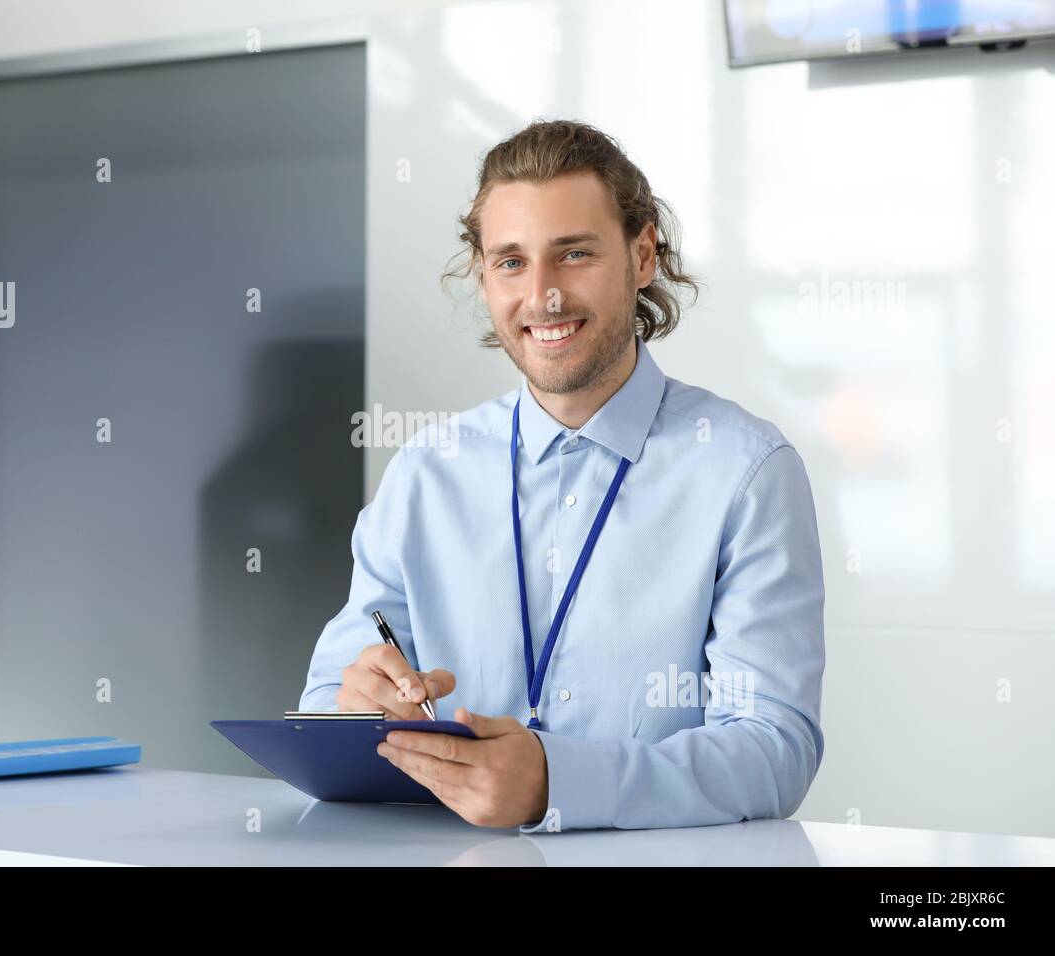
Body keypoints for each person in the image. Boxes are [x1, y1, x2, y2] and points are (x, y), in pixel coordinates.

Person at [300, 119, 825, 833]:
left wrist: (559, 781)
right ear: (483, 275)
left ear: (643, 256)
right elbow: (329, 691)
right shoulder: (425, 473)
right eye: (510, 262)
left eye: (573, 254)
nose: (542, 294)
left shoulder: (747, 472)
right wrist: (351, 708)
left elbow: (775, 748)